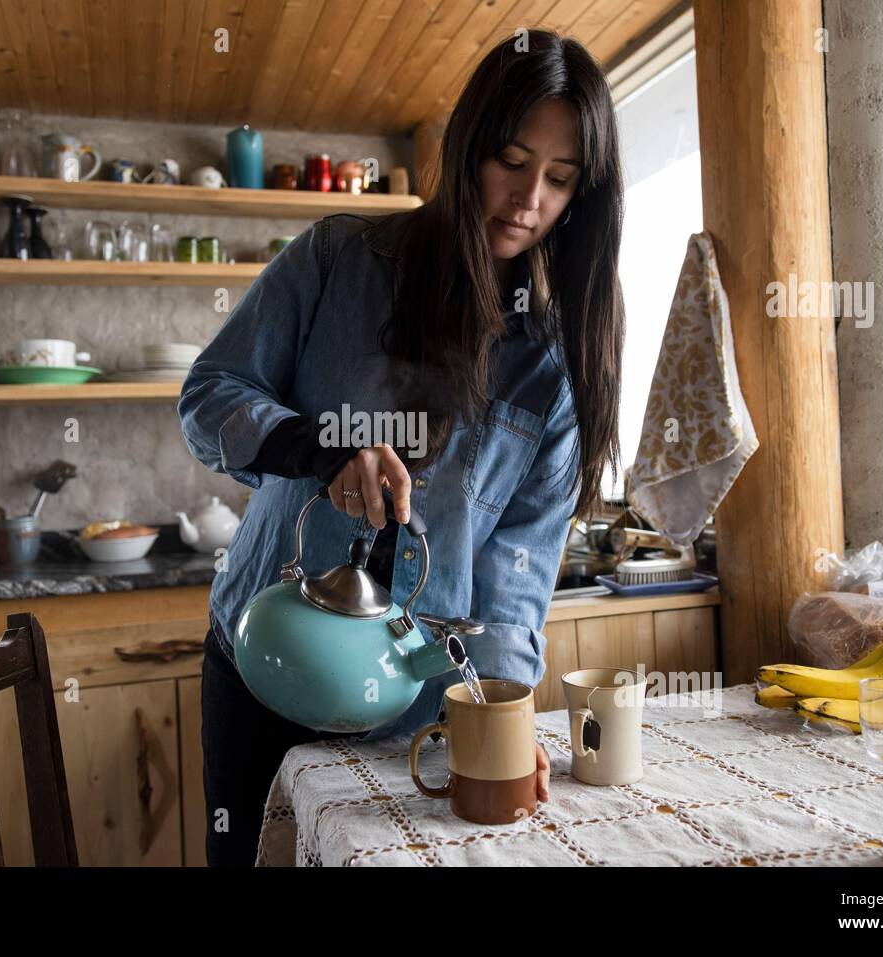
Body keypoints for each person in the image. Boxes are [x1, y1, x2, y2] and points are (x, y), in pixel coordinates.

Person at [177, 29, 625, 867]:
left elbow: (515, 578)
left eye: (560, 180)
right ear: (466, 150)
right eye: (512, 161)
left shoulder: (551, 368)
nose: (530, 199)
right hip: (262, 664)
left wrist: (500, 714)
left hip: (411, 709)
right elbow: (207, 399)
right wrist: (320, 447)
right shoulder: (338, 259)